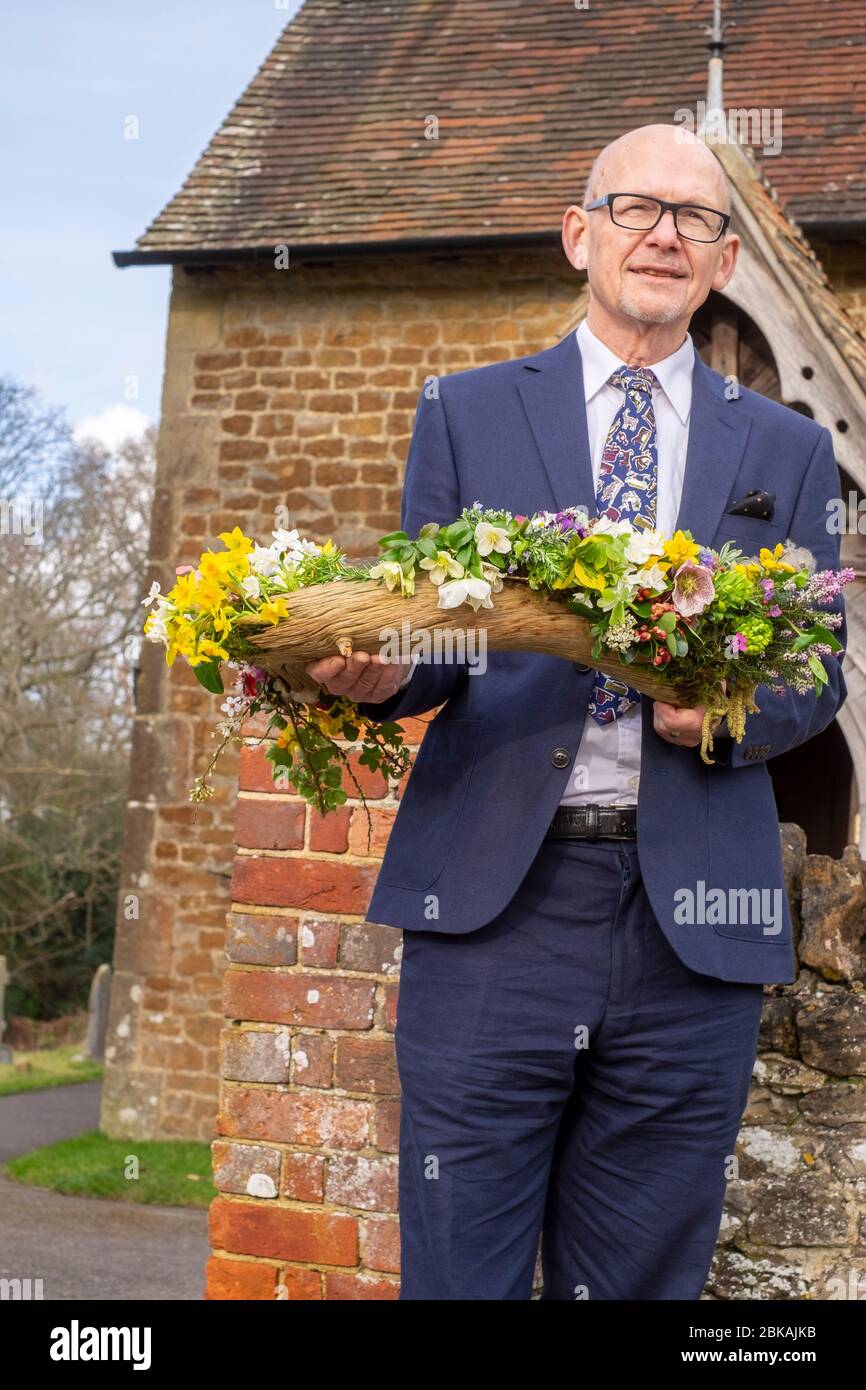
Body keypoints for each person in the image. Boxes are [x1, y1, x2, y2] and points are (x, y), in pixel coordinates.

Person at [305, 123, 847, 1300]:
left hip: (690, 921)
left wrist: (708, 716)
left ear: (721, 264)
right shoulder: (466, 412)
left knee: (640, 1280)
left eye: (694, 220)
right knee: (461, 1269)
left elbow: (815, 673)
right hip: (496, 907)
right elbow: (440, 636)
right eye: (635, 208)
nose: (663, 233)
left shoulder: (791, 451)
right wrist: (387, 674)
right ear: (577, 234)